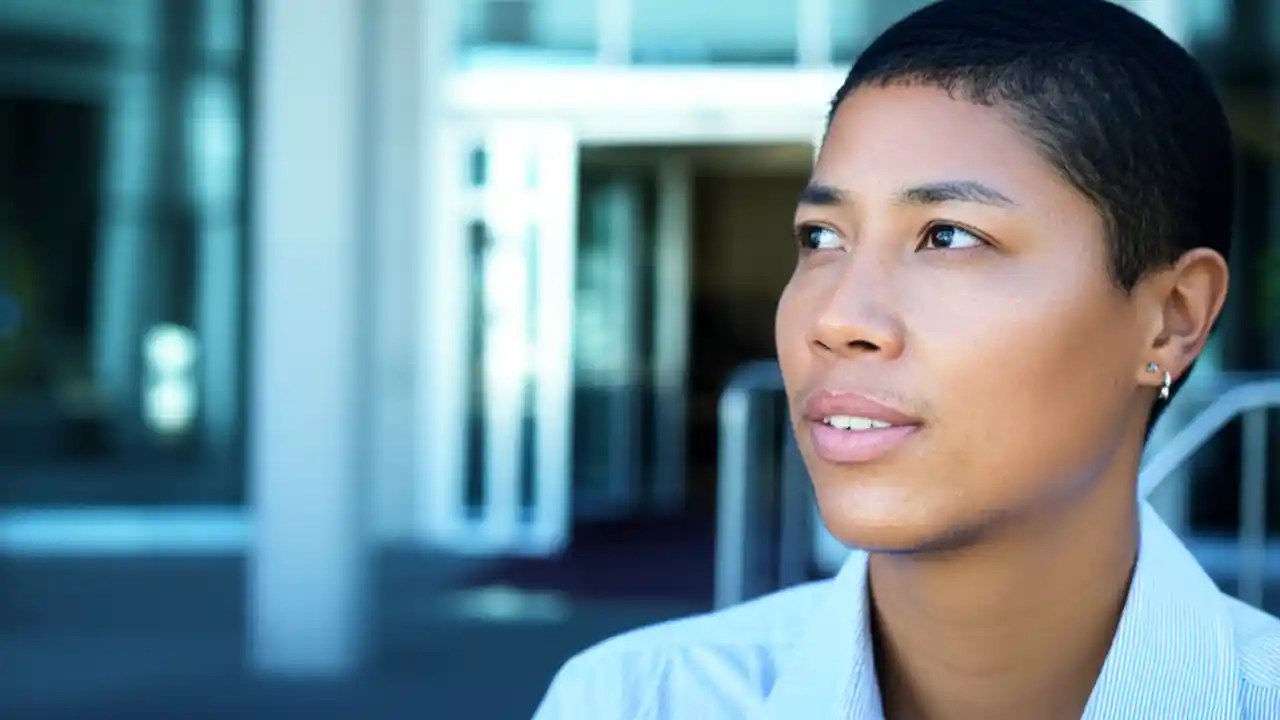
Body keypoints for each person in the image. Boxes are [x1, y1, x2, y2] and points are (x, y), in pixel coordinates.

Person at [533, 0, 1280, 717]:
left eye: (948, 236)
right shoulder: (638, 700)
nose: (836, 319)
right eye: (822, 238)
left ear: (1172, 320)